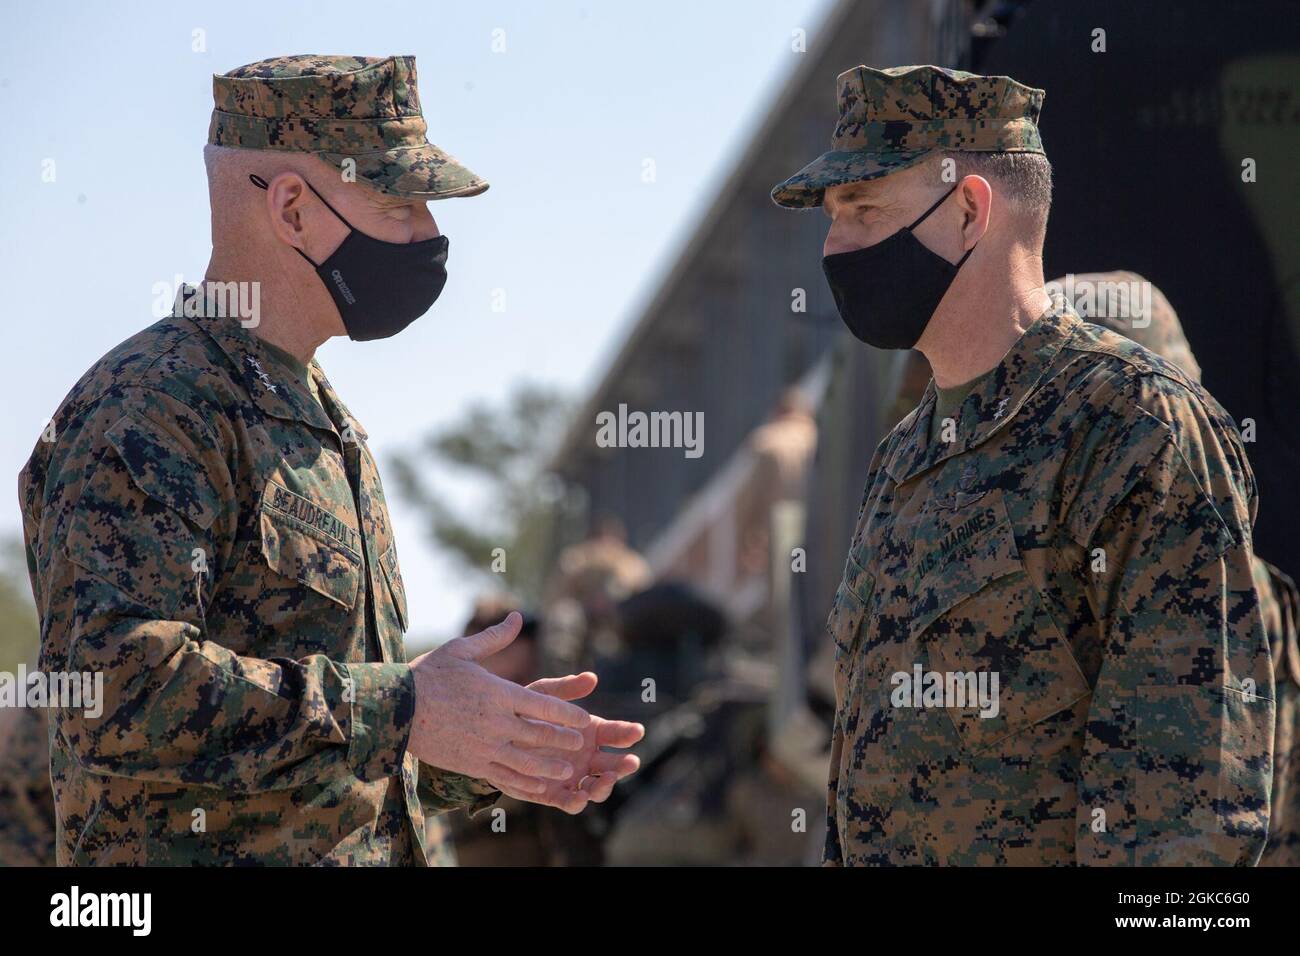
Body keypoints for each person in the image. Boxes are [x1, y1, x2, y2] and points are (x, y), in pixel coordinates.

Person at [18, 54, 641, 866]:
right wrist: (404, 707)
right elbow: (111, 697)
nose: (429, 234)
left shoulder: (324, 421)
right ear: (291, 210)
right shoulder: (152, 405)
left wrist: (487, 745)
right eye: (397, 200)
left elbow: (314, 758)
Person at [771, 65, 1272, 865]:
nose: (837, 248)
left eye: (863, 211)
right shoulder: (904, 457)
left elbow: (1185, 823)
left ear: (970, 210)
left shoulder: (1129, 425)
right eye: (833, 219)